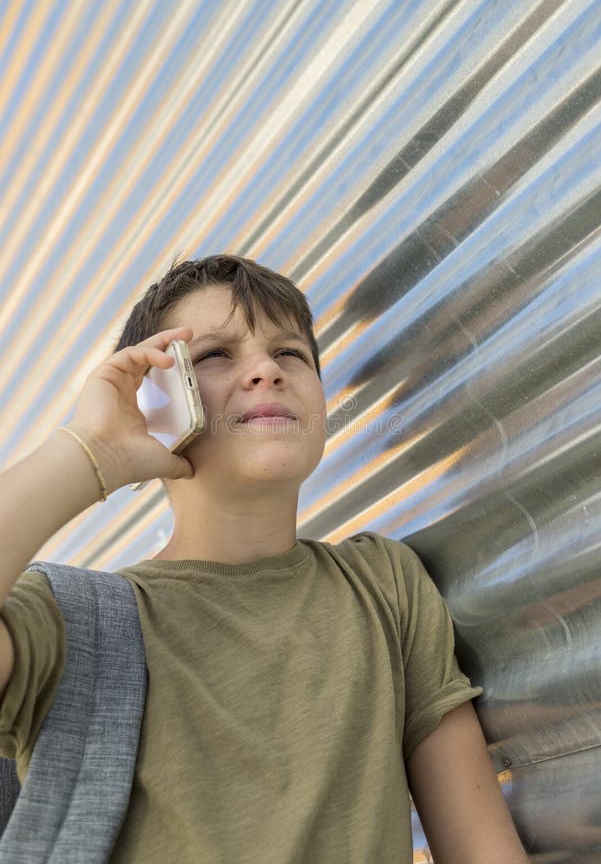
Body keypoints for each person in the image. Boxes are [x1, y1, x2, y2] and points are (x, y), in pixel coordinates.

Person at [0, 255, 528, 862]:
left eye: (290, 354)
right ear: (157, 406)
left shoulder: (384, 586)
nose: (265, 372)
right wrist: (90, 451)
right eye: (216, 355)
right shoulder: (74, 622)